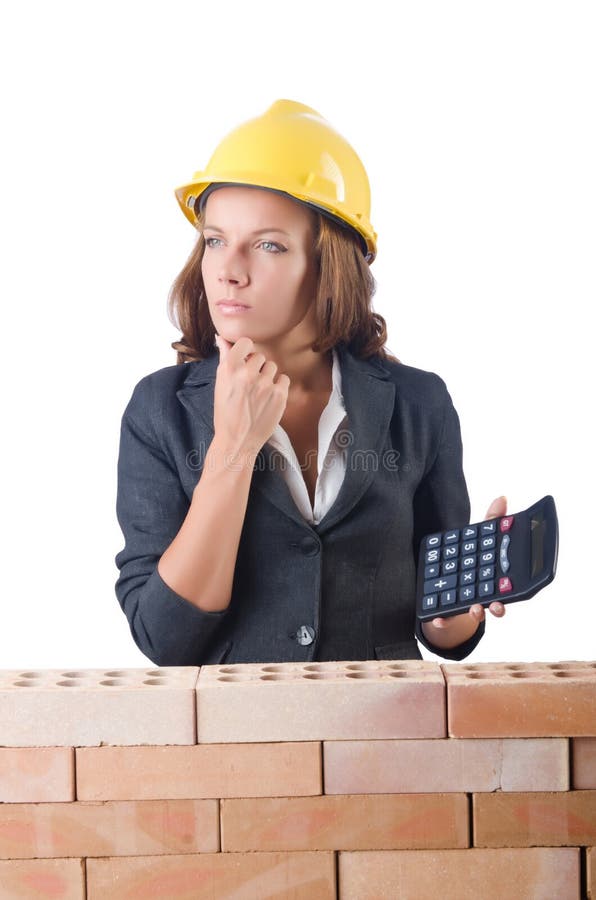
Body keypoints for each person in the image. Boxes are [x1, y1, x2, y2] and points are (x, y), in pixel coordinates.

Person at [114, 99, 507, 666]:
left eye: (268, 244)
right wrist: (233, 447)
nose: (229, 268)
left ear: (331, 263)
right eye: (216, 239)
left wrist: (454, 617)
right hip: (234, 746)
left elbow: (439, 624)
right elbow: (166, 638)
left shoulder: (421, 406)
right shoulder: (159, 412)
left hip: (390, 739)